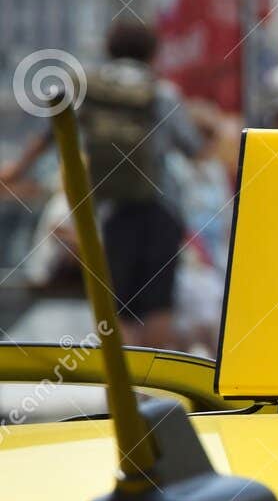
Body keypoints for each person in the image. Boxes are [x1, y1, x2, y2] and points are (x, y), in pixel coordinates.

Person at [0, 19, 202, 349]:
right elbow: (194, 148)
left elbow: (51, 131)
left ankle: (128, 392)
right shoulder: (161, 93)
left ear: (109, 50)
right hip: (161, 210)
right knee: (158, 305)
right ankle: (158, 391)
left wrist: (18, 170)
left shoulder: (90, 88)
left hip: (113, 209)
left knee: (121, 306)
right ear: (152, 53)